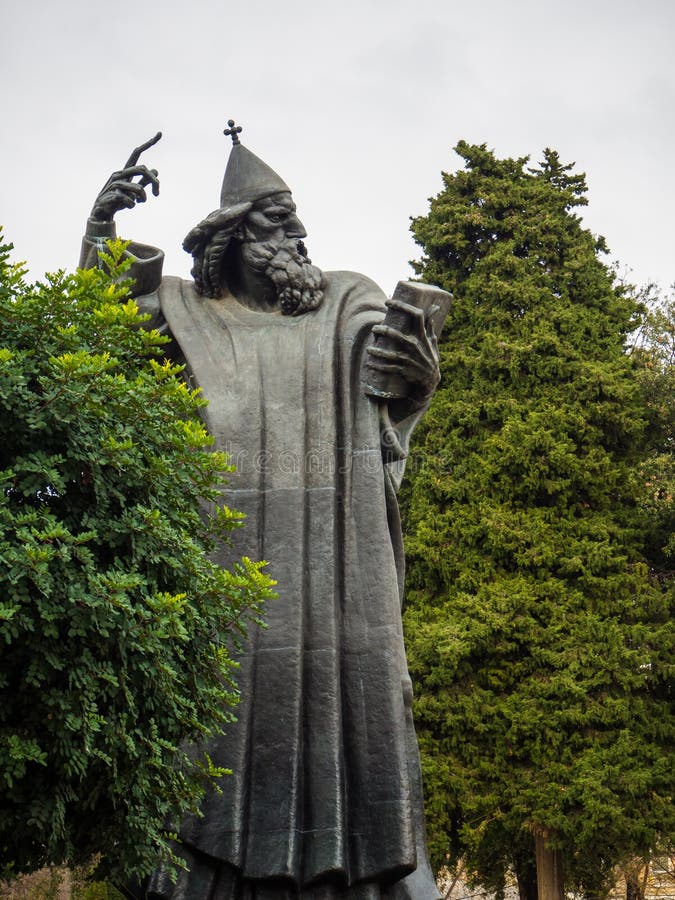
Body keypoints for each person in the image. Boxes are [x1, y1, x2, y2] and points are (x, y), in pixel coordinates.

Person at [80, 124, 444, 900]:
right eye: (278, 220)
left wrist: (413, 372)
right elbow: (102, 341)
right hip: (222, 575)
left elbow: (392, 382)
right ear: (231, 237)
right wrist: (100, 233)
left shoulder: (347, 297)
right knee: (216, 719)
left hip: (342, 572)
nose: (300, 234)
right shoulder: (183, 312)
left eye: (297, 218)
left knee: (360, 699)